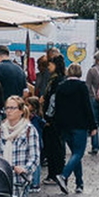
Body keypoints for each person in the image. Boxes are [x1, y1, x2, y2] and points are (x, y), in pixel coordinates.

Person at [52, 63, 98, 194]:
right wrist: (93, 125)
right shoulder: (82, 87)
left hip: (65, 125)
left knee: (75, 155)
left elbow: (58, 108)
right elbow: (87, 107)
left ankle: (79, 183)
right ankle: (64, 175)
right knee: (78, 153)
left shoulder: (61, 87)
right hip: (79, 125)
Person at [40, 55, 68, 185]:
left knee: (54, 147)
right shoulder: (59, 79)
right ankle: (56, 172)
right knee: (56, 147)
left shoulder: (56, 80)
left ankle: (55, 173)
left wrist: (49, 117)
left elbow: (53, 101)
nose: (48, 67)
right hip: (57, 119)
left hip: (53, 120)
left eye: (50, 64)